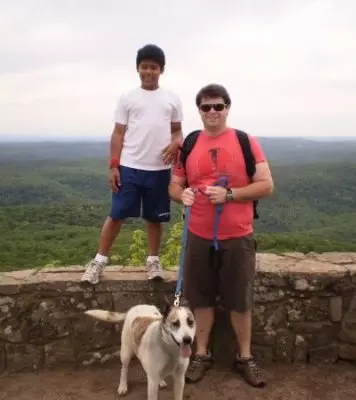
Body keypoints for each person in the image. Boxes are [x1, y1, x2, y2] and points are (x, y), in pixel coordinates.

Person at [169, 84, 274, 387]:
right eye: (206, 107)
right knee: (200, 298)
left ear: (228, 108)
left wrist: (229, 195)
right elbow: (174, 186)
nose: (212, 112)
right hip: (198, 234)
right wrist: (182, 195)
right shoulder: (189, 144)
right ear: (199, 111)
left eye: (218, 106)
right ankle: (201, 355)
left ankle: (245, 357)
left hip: (237, 235)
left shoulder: (245, 141)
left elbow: (266, 186)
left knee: (240, 300)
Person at [81, 44, 183, 285]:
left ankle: (153, 262)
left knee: (154, 218)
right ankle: (99, 261)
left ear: (162, 70)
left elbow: (177, 131)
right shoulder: (127, 97)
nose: (148, 71)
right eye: (144, 67)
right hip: (130, 167)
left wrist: (177, 144)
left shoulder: (172, 98)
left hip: (159, 169)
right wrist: (114, 166)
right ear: (138, 69)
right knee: (116, 215)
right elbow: (118, 133)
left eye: (154, 67)